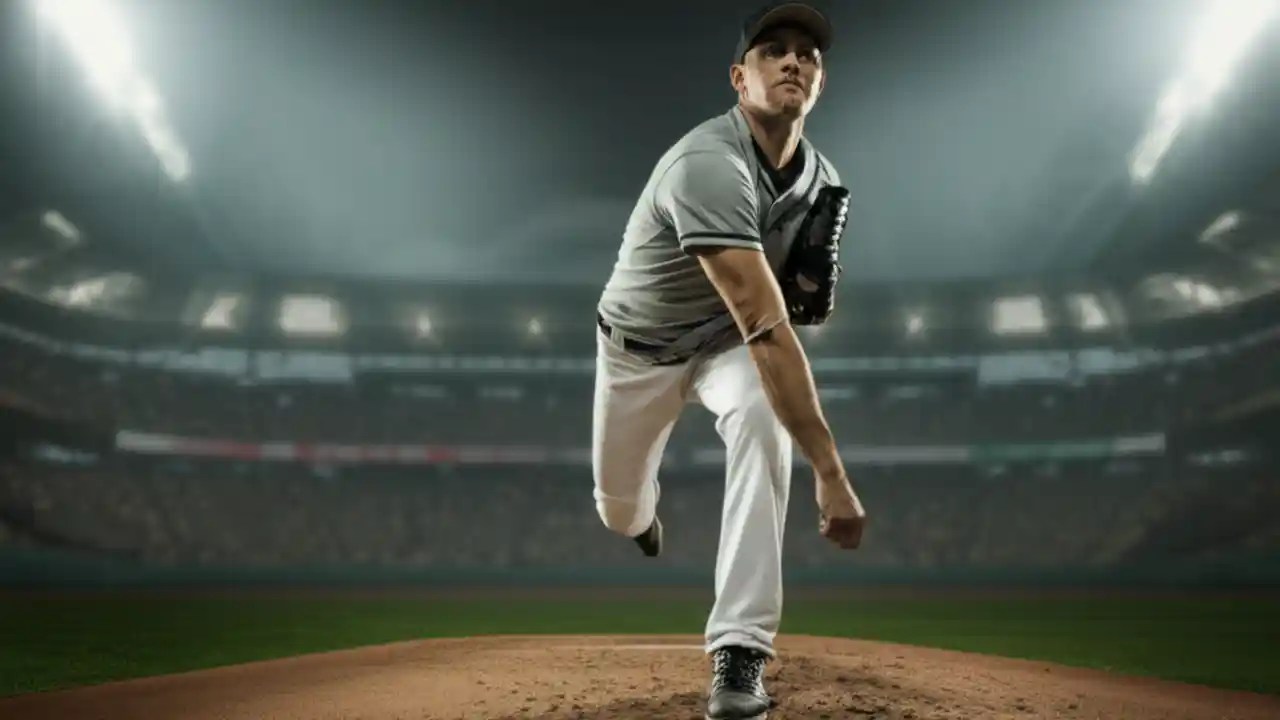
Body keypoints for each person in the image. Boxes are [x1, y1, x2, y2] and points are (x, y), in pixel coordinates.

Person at [591, 3, 867, 718]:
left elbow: (778, 321)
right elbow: (770, 325)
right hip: (638, 352)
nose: (793, 61)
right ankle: (641, 517)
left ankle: (740, 650)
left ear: (821, 81)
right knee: (616, 509)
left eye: (807, 53)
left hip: (723, 346)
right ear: (739, 78)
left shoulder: (819, 177)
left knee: (765, 418)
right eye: (773, 50)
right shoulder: (706, 164)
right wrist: (832, 476)